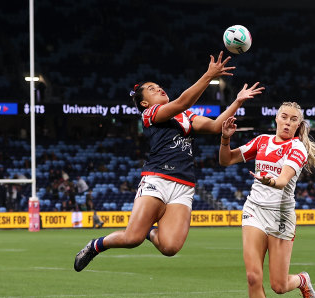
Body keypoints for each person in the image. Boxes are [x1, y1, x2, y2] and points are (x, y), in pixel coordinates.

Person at [74, 52, 264, 271]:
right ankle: (95, 245)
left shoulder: (186, 117)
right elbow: (182, 102)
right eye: (152, 89)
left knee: (170, 247)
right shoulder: (150, 113)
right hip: (157, 179)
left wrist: (237, 101)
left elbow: (214, 126)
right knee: (131, 239)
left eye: (158, 86)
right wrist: (208, 75)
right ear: (145, 102)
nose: (158, 88)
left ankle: (148, 231)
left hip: (184, 185)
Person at [219, 102, 315, 298]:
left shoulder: (297, 148)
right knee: (253, 276)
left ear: (298, 125)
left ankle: (302, 280)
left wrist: (270, 180)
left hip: (281, 217)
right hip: (254, 210)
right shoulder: (262, 141)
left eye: (293, 119)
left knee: (278, 285)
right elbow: (226, 160)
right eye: (284, 117)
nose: (287, 122)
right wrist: (224, 139)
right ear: (276, 118)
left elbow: (283, 179)